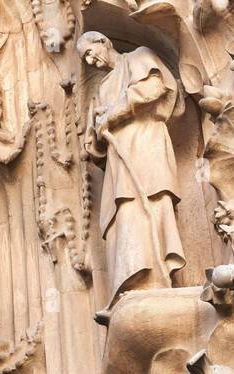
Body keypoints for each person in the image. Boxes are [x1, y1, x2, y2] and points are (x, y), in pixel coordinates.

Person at [78, 32, 185, 307]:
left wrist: (113, 114)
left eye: (91, 51)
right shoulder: (103, 87)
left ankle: (157, 277)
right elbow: (97, 142)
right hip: (119, 157)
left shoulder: (139, 56)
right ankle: (132, 279)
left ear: (105, 42)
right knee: (124, 210)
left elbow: (152, 89)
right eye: (86, 58)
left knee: (151, 200)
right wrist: (97, 133)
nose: (92, 60)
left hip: (145, 142)